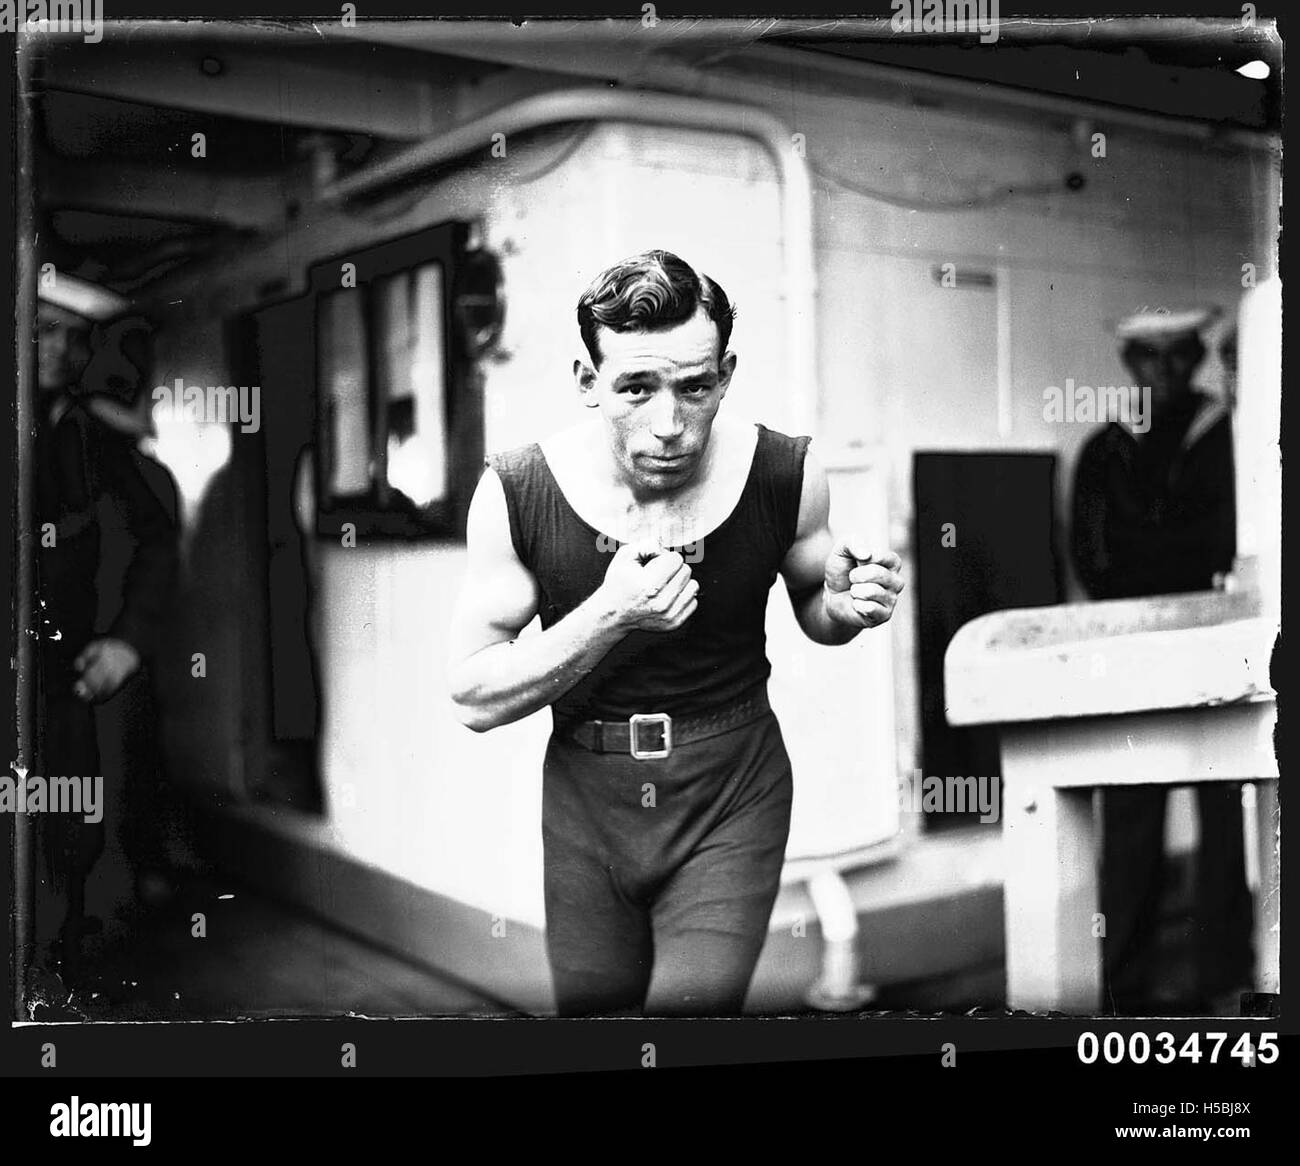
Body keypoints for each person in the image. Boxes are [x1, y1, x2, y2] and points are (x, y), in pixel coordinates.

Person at [447, 250, 904, 1016]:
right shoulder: (519, 491)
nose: (669, 426)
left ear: (724, 374)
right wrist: (609, 614)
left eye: (695, 389)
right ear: (587, 382)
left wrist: (847, 608)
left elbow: (819, 614)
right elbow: (473, 696)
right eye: (636, 389)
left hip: (732, 790)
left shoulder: (785, 473)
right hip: (587, 803)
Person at [1070, 305, 1252, 1014]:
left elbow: (1229, 545)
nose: (1169, 370)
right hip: (1134, 656)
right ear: (1130, 366)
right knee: (1133, 824)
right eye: (1152, 357)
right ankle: (1127, 991)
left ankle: (1225, 982)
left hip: (1214, 649)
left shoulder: (1228, 439)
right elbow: (1092, 559)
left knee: (1225, 819)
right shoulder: (1106, 447)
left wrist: (1161, 569)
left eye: (1182, 354)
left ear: (1200, 358)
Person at [34, 300, 180, 983]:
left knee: (79, 832)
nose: (59, 349)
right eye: (42, 330)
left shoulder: (93, 437)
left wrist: (128, 640)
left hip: (69, 669)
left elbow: (152, 537)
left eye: (72, 336)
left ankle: (73, 972)